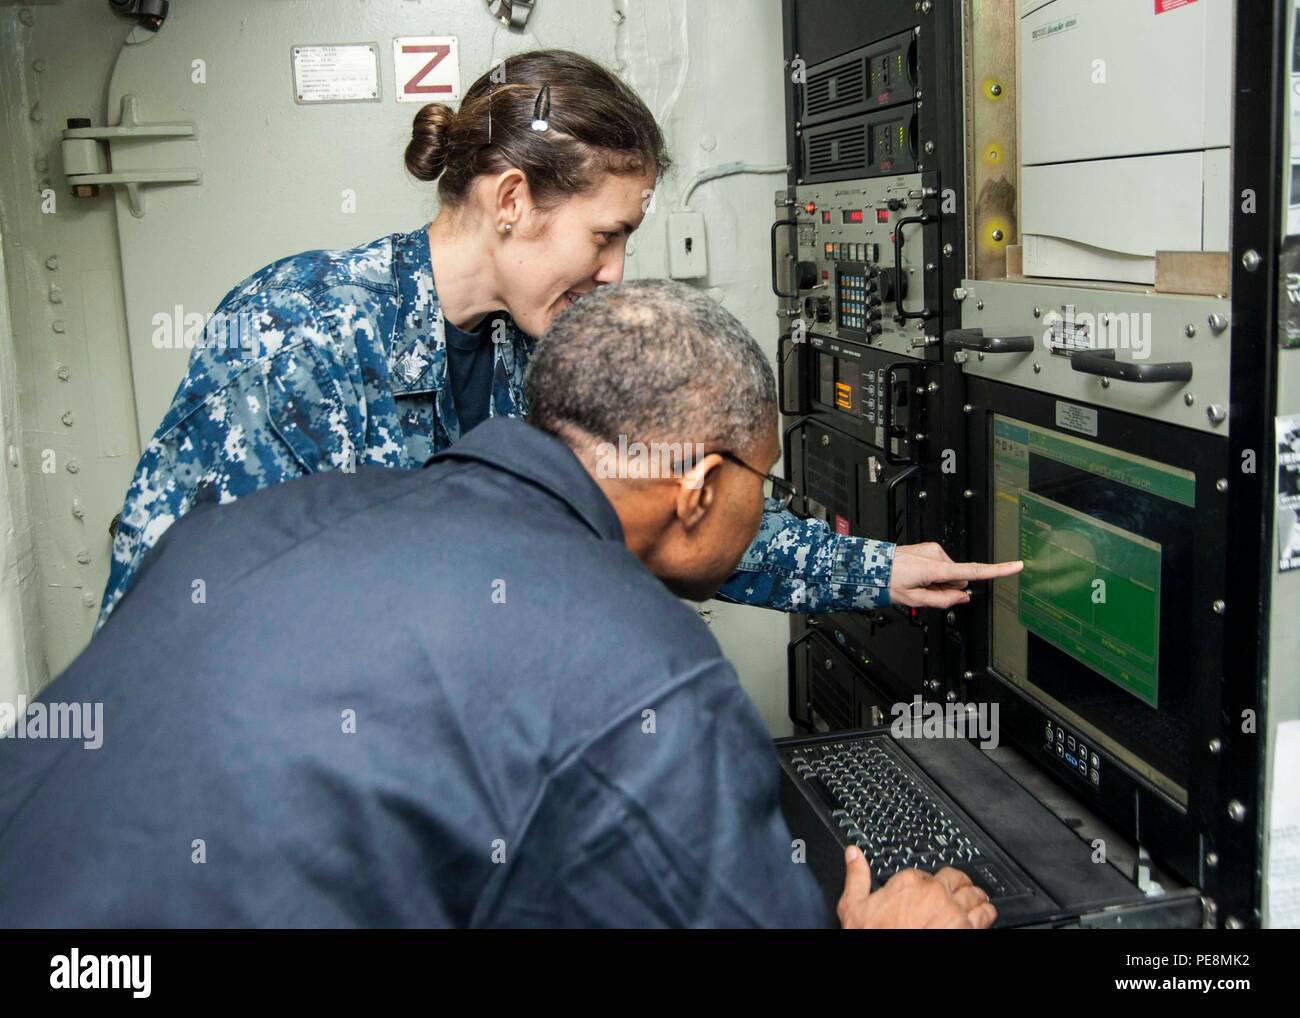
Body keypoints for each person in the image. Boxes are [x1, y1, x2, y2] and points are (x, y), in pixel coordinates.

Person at [0, 281, 1011, 928]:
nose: (768, 504)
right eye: (765, 481)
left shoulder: (260, 525)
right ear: (698, 486)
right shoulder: (643, 671)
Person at [97, 48, 1013, 629]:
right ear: (511, 202)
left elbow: (679, 511)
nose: (616, 270)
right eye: (604, 234)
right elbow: (164, 620)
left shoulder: (550, 353)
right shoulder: (293, 332)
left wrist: (876, 568)